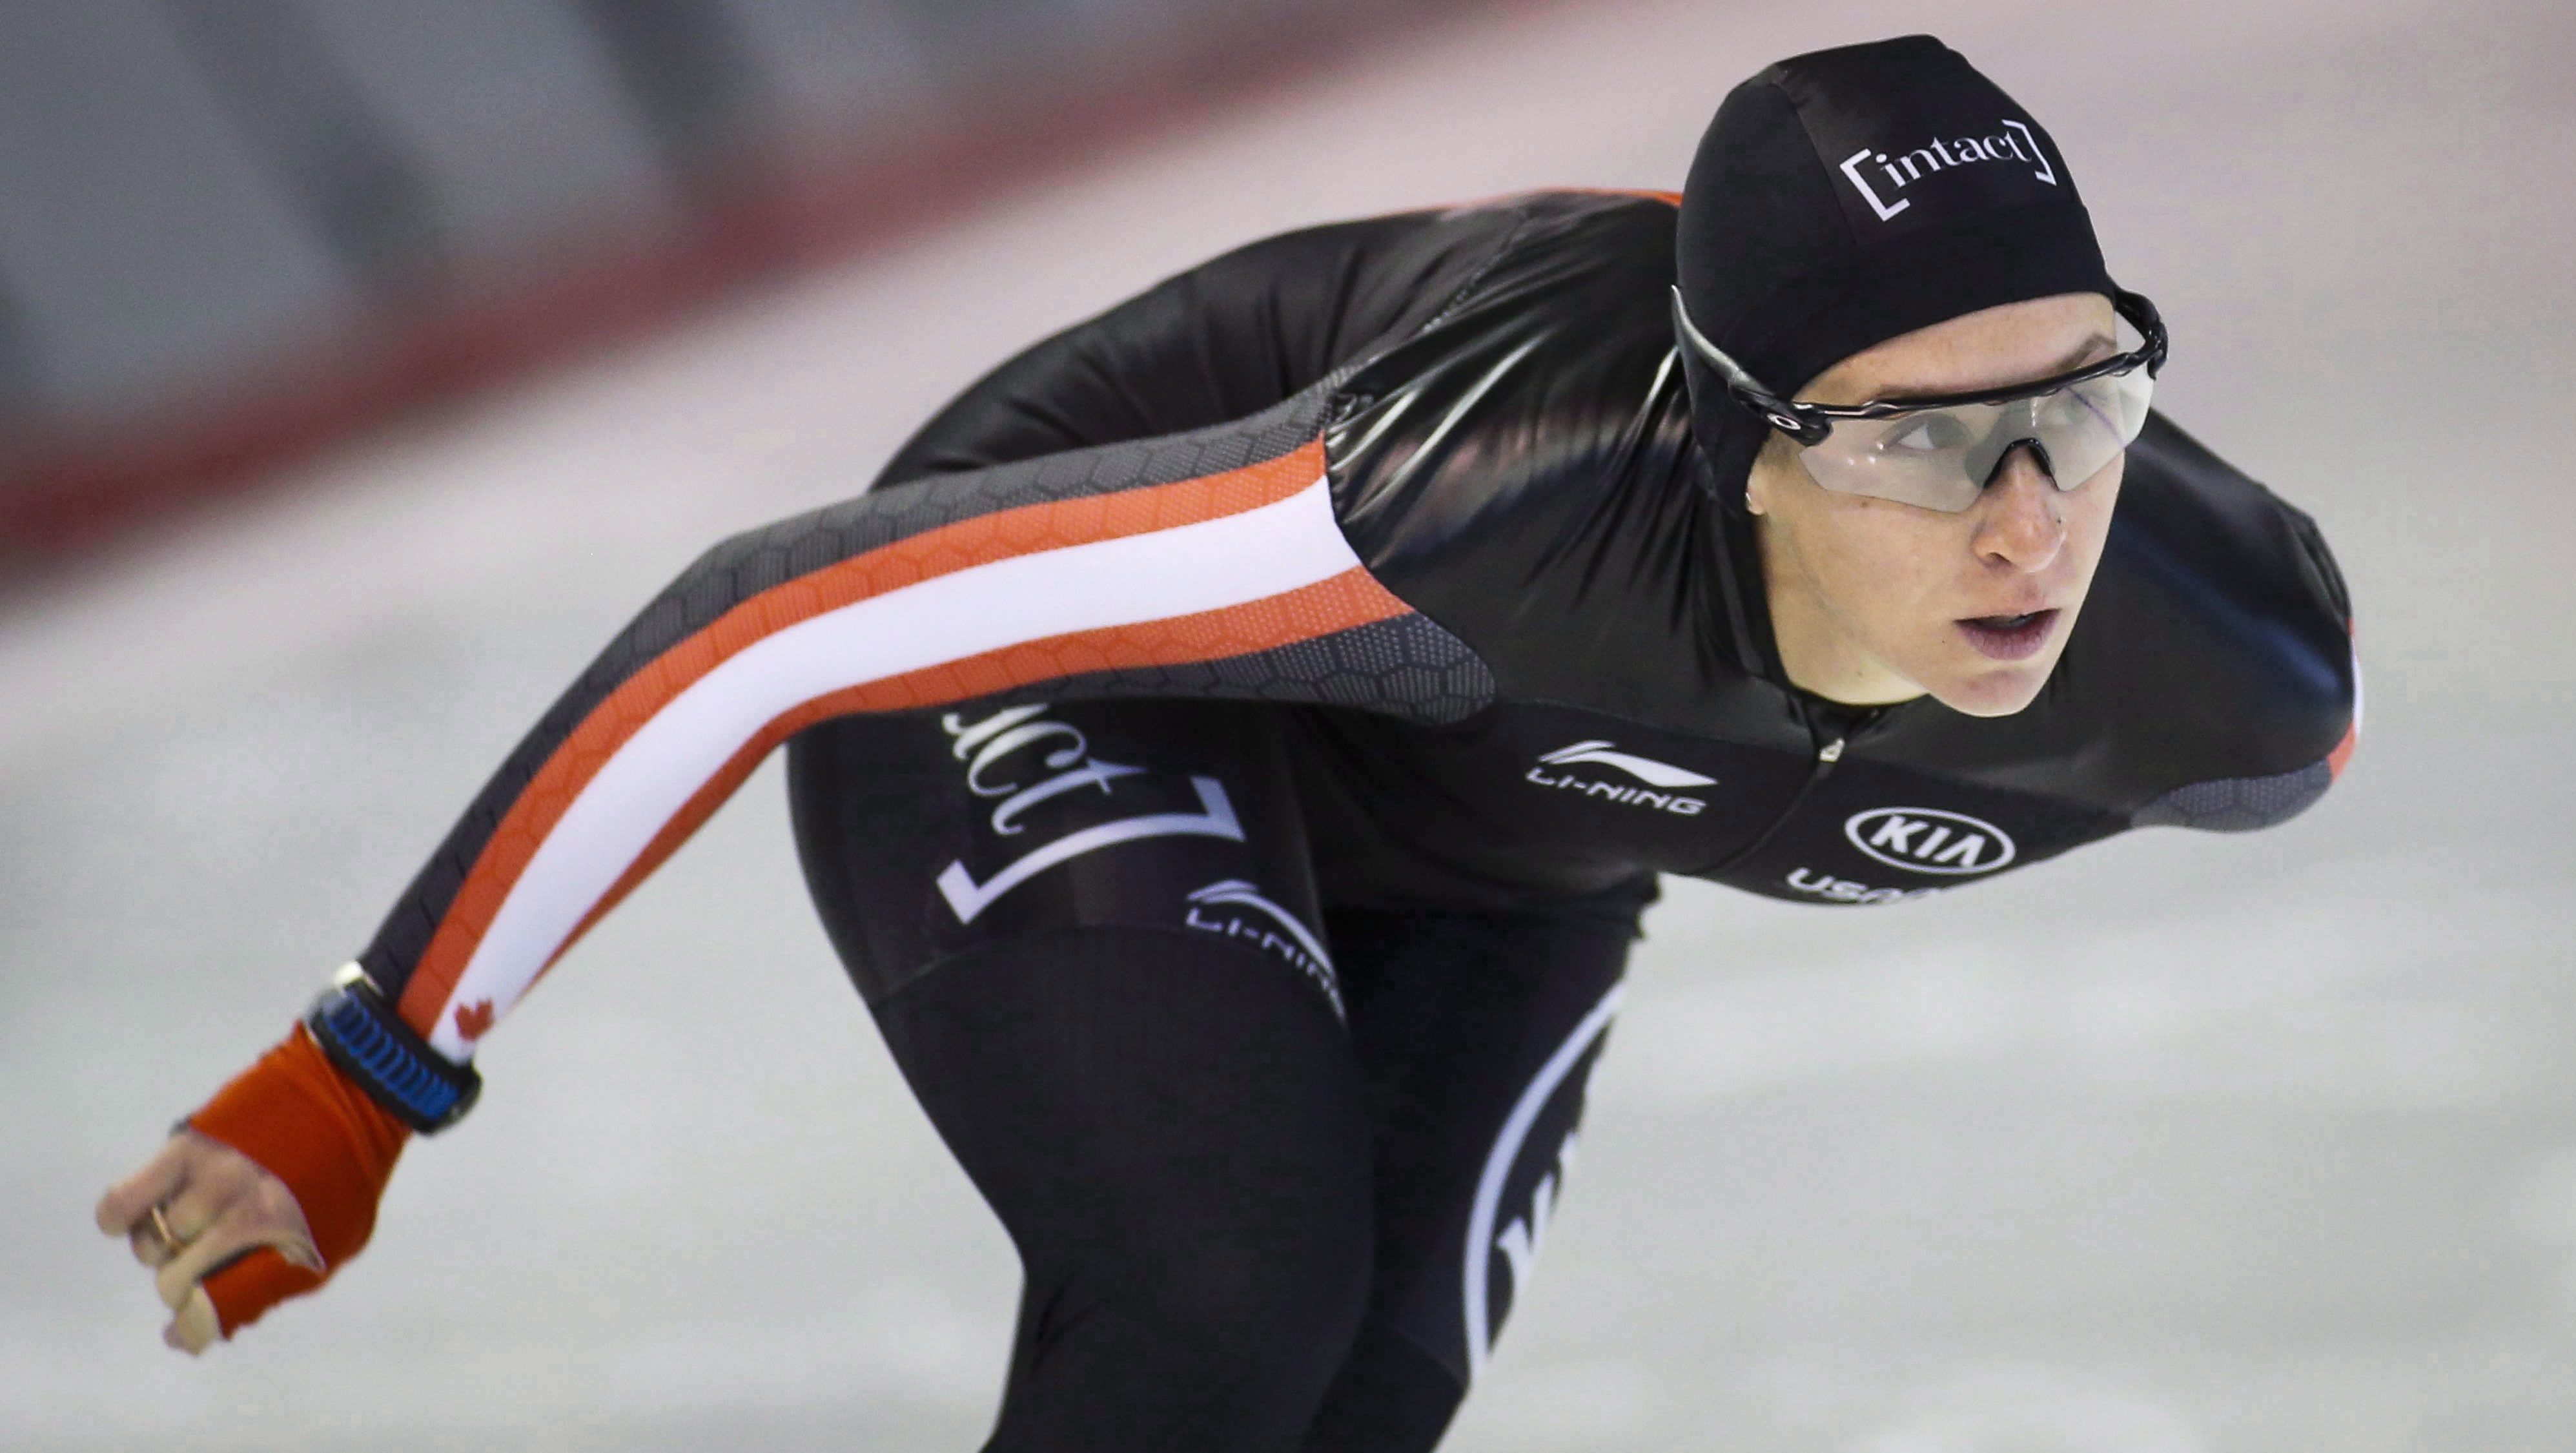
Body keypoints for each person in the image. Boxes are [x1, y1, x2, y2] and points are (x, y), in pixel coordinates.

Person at [96, 34, 2356, 1453]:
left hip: (1489, 832)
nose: (2033, 521)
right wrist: (371, 1072)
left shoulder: (2232, 668)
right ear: (1740, 443)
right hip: (1117, 662)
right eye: (1928, 441)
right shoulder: (1476, 501)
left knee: (1356, 1400)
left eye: (2083, 400)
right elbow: (769, 617)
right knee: (1223, 1302)